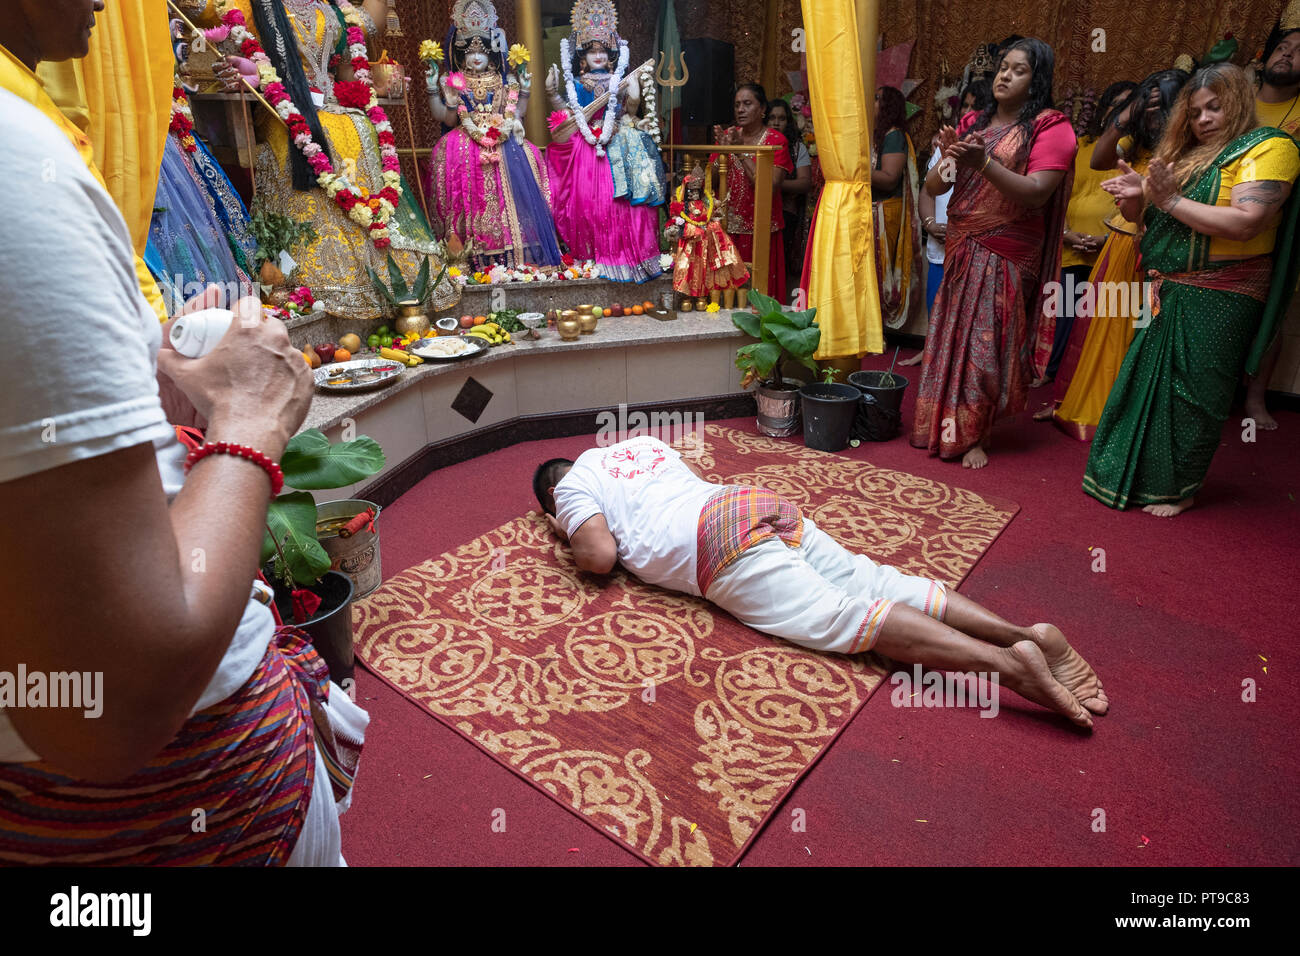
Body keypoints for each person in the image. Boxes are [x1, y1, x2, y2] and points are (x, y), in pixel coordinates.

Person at [0, 0, 367, 865]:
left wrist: (148, 405)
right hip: (174, 810)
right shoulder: (17, 167)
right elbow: (109, 704)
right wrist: (248, 419)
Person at [534, 436, 1108, 730]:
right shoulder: (637, 445)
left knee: (842, 616)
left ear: (552, 494)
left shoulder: (573, 487)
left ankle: (1012, 667)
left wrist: (566, 529)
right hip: (750, 502)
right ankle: (1020, 631)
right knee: (873, 576)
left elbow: (599, 557)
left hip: (717, 546)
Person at [1084, 63, 1300, 516]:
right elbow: (1151, 225)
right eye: (1196, 111)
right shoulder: (1187, 156)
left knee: (1194, 395)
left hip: (1221, 291)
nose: (1203, 119)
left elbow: (1247, 223)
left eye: (1215, 107)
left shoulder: (1270, 147)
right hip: (1163, 288)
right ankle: (1125, 475)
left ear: (1239, 103)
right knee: (1140, 380)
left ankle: (1179, 488)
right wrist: (1136, 203)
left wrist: (1168, 200)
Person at [209, 0, 456, 320]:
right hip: (283, 106)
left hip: (335, 105)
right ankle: (322, 281)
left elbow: (350, 66)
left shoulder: (330, 7)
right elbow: (240, 53)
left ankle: (386, 269)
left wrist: (375, 84)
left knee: (362, 127)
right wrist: (253, 74)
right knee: (324, 132)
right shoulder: (257, 7)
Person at [911, 38, 1077, 469]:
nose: (1004, 75)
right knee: (951, 335)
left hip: (1006, 250)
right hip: (964, 246)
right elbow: (933, 188)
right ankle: (939, 423)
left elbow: (1039, 194)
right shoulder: (972, 122)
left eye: (1018, 70)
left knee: (986, 343)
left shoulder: (1050, 127)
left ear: (1036, 79)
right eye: (1003, 67)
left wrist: (984, 163)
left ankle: (976, 433)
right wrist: (949, 158)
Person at [1038, 69, 1189, 436]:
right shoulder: (1133, 142)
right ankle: (1088, 405)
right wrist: (1126, 114)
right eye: (1147, 103)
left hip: (1154, 250)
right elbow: (1098, 159)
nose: (1151, 114)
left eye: (1159, 104)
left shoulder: (1186, 150)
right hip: (1119, 247)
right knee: (1098, 330)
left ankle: (1127, 417)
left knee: (1140, 329)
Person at [425, 0, 562, 272]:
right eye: (470, 51)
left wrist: (524, 91)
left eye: (483, 50)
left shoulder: (504, 80)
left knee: (526, 171)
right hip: (463, 144)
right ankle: (466, 258)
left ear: (492, 53)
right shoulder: (454, 81)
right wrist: (435, 91)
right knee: (466, 197)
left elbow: (516, 113)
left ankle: (518, 258)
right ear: (461, 54)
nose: (476, 56)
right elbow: (448, 118)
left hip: (505, 140)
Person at [545, 0, 665, 283]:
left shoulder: (620, 80)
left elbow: (630, 112)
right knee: (586, 203)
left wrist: (633, 97)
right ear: (583, 58)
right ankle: (590, 259)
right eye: (591, 50)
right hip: (585, 147)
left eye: (602, 50)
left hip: (618, 143)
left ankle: (621, 258)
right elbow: (568, 113)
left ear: (611, 55)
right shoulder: (576, 84)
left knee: (621, 205)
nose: (597, 55)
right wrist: (551, 93)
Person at [1033, 81, 1137, 388]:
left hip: (1112, 245)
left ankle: (1084, 383)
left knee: (1099, 316)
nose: (1122, 112)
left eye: (1129, 106)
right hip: (1069, 243)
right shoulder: (1080, 146)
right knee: (1062, 312)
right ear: (1104, 109)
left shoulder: (1135, 151)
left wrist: (1107, 239)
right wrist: (1064, 233)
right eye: (1116, 104)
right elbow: (1055, 194)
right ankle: (1050, 371)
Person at [902, 88, 988, 368]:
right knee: (936, 302)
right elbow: (930, 192)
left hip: (971, 243)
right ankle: (931, 350)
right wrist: (929, 224)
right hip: (940, 240)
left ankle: (957, 363)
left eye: (975, 106)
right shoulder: (946, 145)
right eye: (965, 104)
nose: (967, 111)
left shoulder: (989, 148)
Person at [1245, 12, 1300, 429]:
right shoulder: (1236, 99)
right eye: (1283, 47)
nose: (1288, 55)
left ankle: (1255, 400)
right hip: (1210, 216)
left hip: (1271, 230)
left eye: (1299, 53)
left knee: (1268, 314)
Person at [713, 83, 794, 302]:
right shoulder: (730, 135)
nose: (740, 109)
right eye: (737, 105)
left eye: (747, 104)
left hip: (760, 232)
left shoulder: (776, 141)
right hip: (728, 231)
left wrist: (739, 152)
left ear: (763, 109)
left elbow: (770, 185)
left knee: (758, 296)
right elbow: (709, 180)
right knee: (726, 297)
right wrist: (722, 151)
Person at [871, 86, 925, 333]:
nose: (870, 103)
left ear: (887, 106)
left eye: (876, 99)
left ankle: (876, 330)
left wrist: (853, 168)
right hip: (874, 211)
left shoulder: (893, 135)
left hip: (886, 212)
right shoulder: (879, 135)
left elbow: (889, 178)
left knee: (879, 273)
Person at [766, 98, 813, 287]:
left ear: (789, 122)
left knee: (778, 267)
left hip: (786, 215)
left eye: (782, 118)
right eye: (772, 118)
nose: (776, 123)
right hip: (754, 212)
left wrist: (773, 184)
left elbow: (804, 183)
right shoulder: (755, 144)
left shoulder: (796, 148)